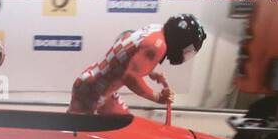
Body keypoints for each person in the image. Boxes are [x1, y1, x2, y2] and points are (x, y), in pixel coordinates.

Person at [67, 14, 205, 116]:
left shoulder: (156, 30)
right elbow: (131, 77)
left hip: (99, 88)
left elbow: (132, 56)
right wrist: (157, 97)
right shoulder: (157, 46)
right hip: (92, 91)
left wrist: (151, 73)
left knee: (123, 127)